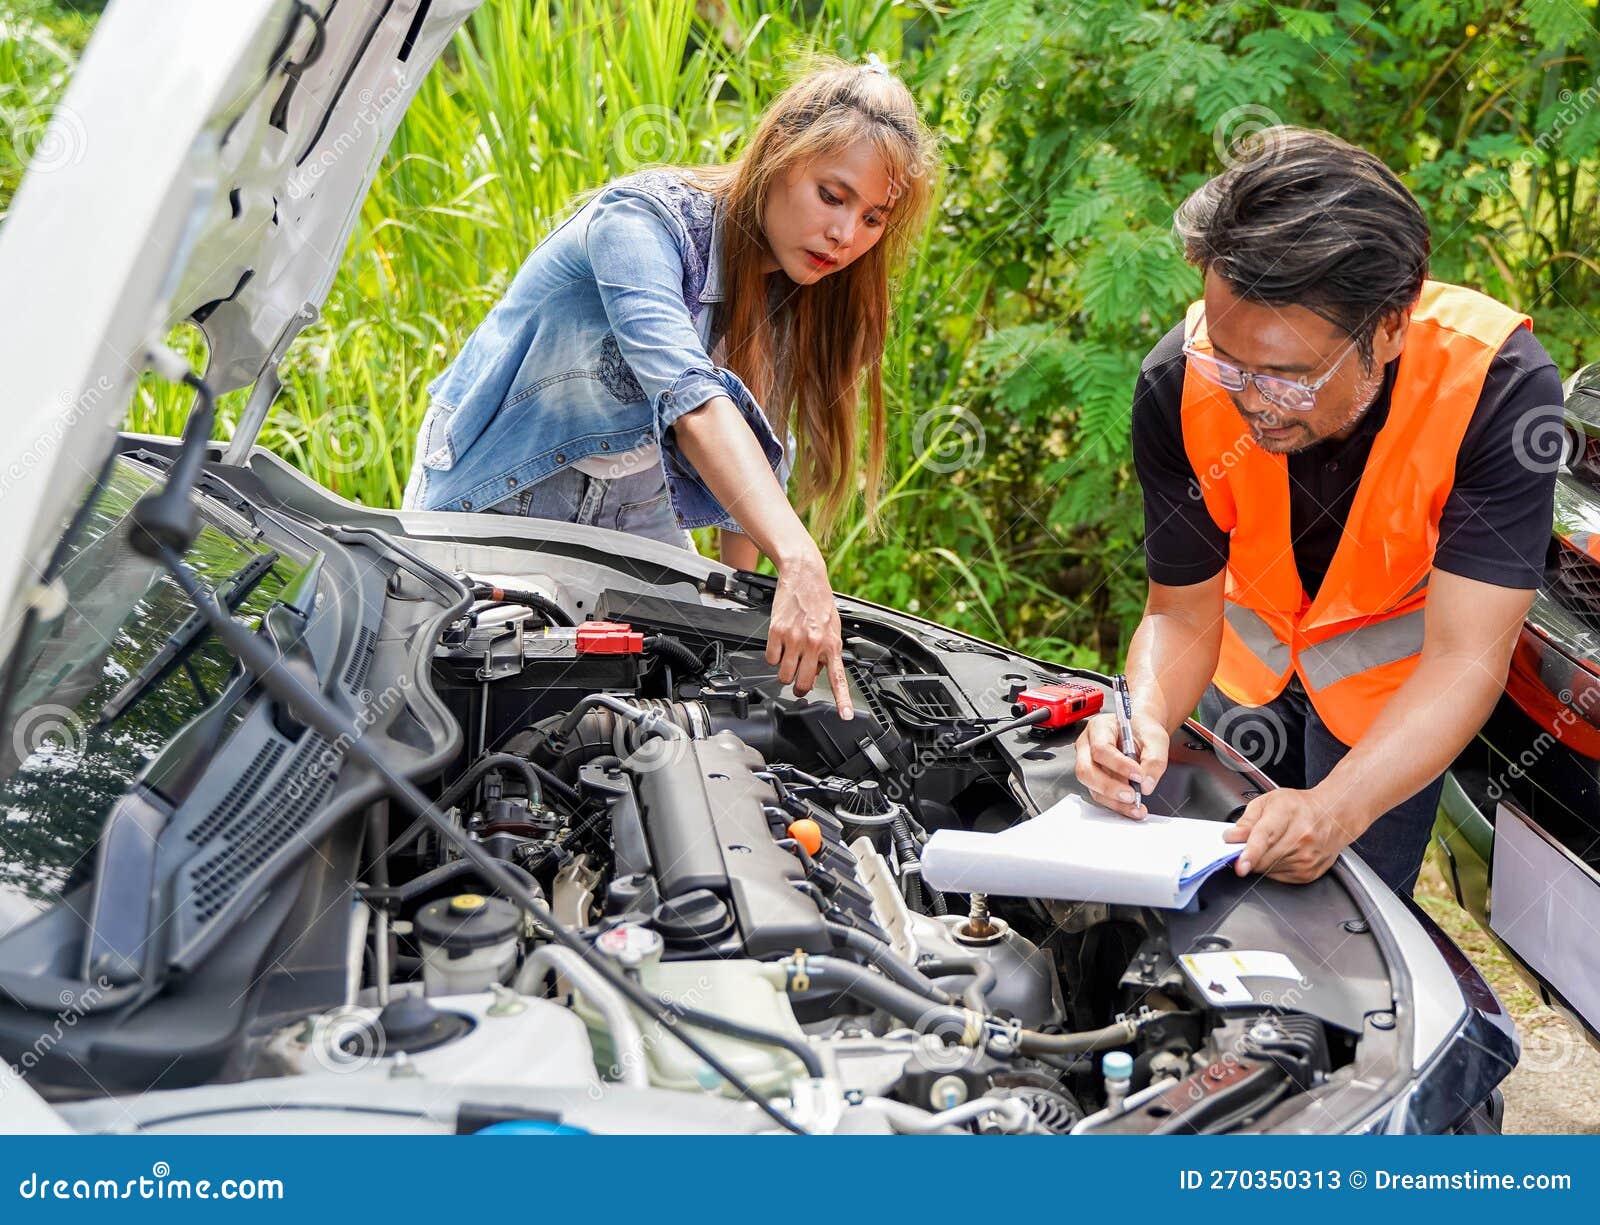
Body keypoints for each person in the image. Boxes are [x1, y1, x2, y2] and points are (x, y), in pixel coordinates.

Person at [1073, 127, 1563, 895]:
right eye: (1228, 363)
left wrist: (1335, 810)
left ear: (1391, 325)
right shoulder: (1175, 378)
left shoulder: (1498, 388)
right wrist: (1144, 716)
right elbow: (1179, 613)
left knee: (1352, 915)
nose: (1249, 401)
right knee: (1221, 899)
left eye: (1287, 378)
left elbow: (1467, 656)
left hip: (1396, 703)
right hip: (1247, 680)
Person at [403, 57, 936, 716]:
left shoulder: (795, 287)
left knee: (667, 716)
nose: (845, 235)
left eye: (873, 219)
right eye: (832, 195)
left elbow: (751, 451)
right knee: (468, 715)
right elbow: (692, 402)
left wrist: (746, 608)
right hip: (503, 493)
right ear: (779, 155)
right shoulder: (639, 224)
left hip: (636, 504)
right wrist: (800, 557)